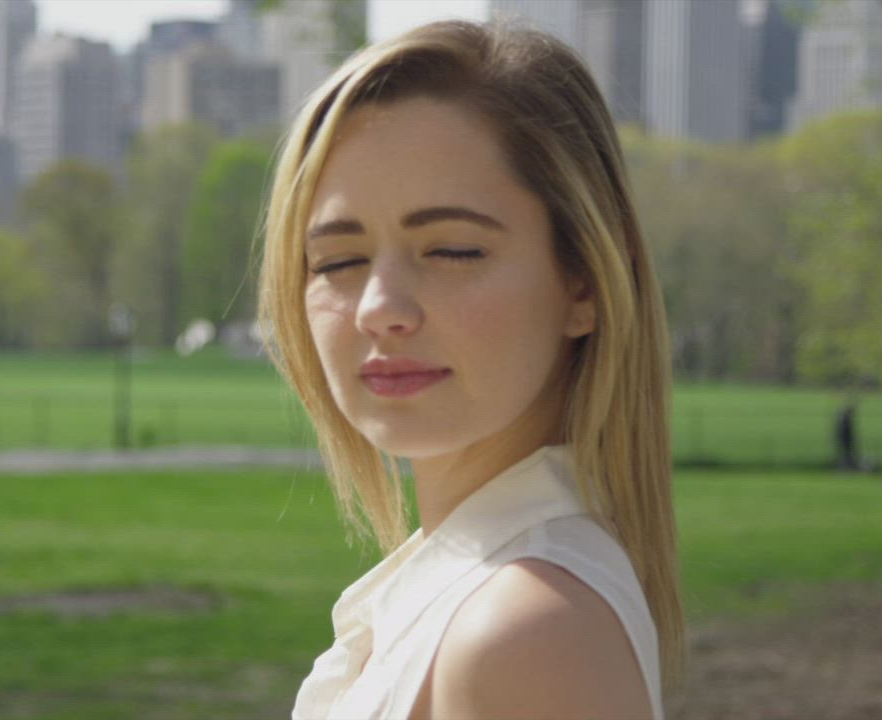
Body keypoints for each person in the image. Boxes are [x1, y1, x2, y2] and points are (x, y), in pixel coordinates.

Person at [256, 20, 683, 720]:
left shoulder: (524, 634)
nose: (379, 308)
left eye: (452, 250)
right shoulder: (464, 592)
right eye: (338, 261)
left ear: (584, 283)